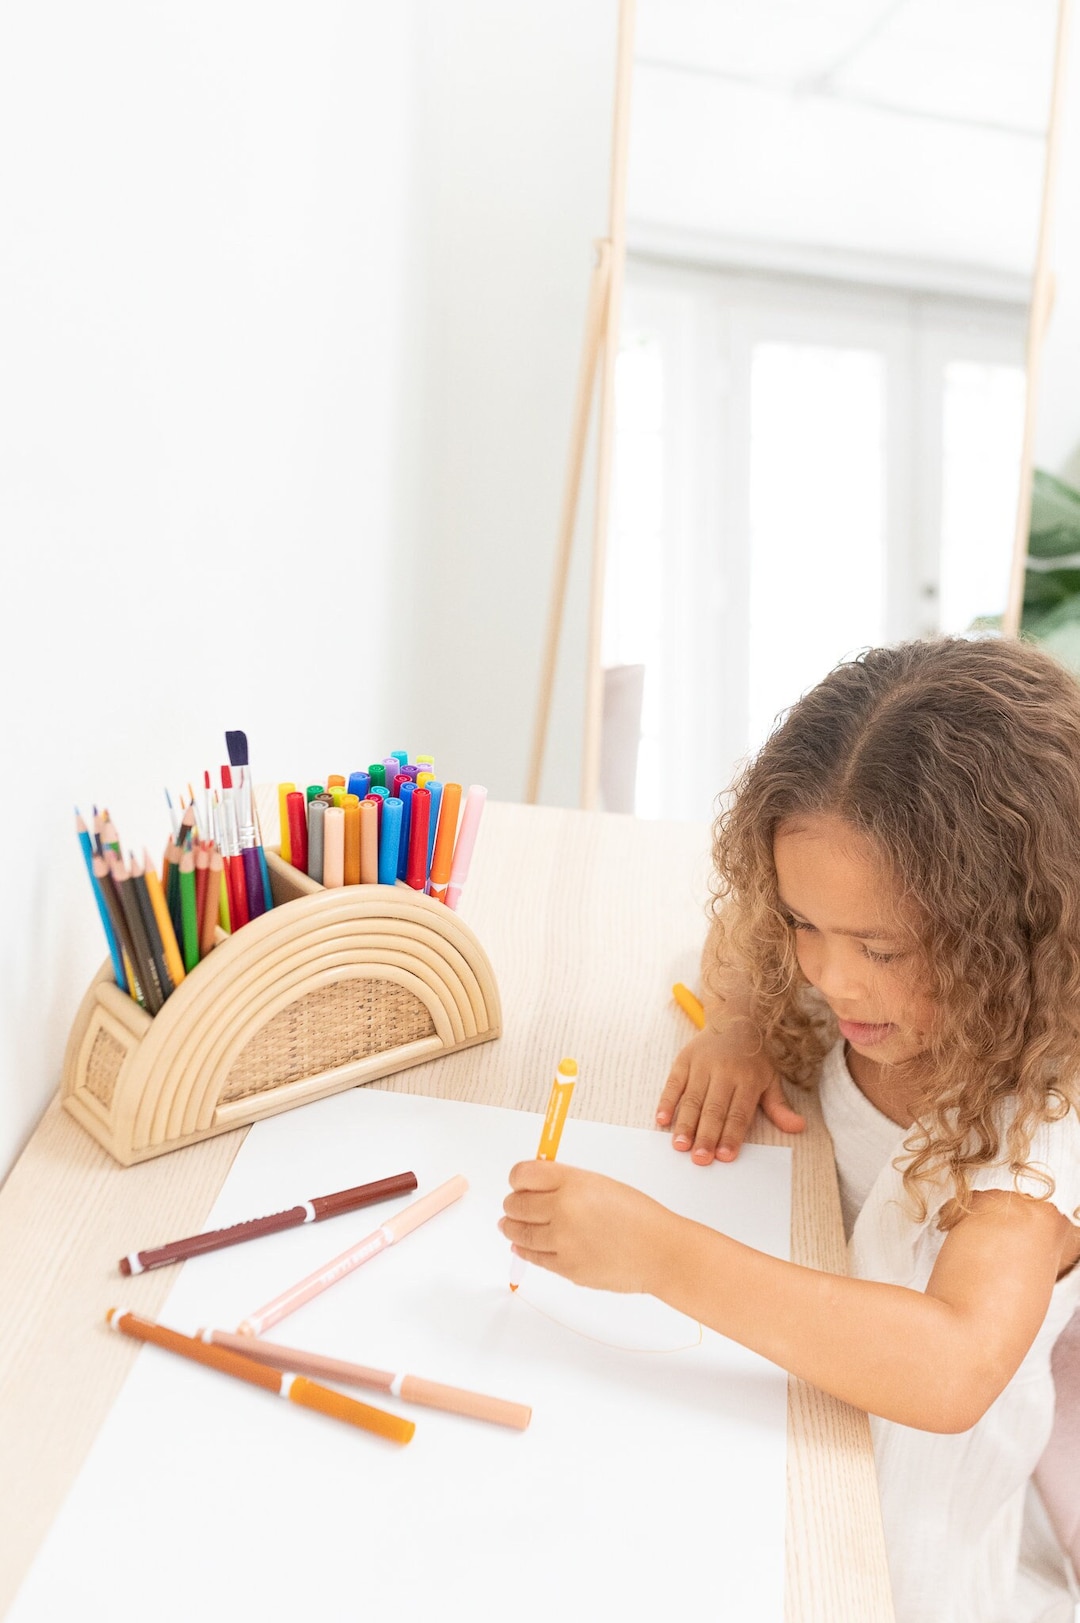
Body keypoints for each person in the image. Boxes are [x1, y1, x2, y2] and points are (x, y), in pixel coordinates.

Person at [500, 638, 1080, 1623]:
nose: (829, 976)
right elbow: (740, 935)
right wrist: (737, 1023)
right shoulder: (849, 972)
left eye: (881, 948)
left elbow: (950, 1369)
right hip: (771, 1415)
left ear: (1015, 938)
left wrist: (659, 1253)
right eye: (806, 922)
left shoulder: (1037, 1115)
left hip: (899, 1541)